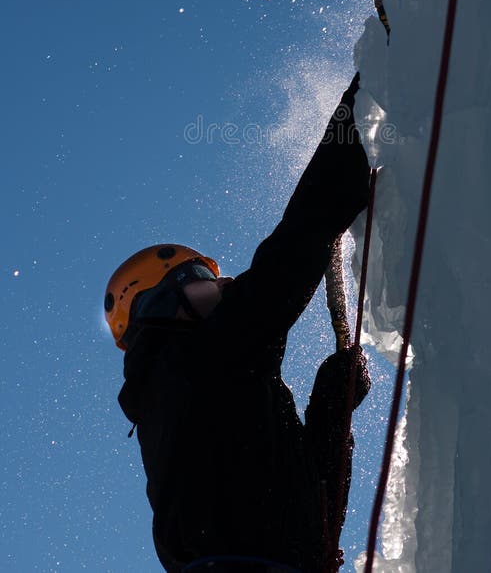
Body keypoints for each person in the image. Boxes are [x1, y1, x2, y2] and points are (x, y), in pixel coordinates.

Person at [104, 75, 372, 573]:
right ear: (161, 305)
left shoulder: (203, 390)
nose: (223, 284)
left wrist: (332, 404)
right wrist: (360, 106)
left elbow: (309, 510)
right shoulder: (191, 362)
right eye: (201, 277)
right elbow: (295, 247)